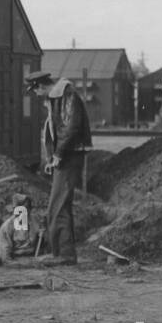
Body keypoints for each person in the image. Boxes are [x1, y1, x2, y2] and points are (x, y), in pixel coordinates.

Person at [27, 70, 92, 266]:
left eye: (34, 91)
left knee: (58, 206)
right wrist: (51, 158)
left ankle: (64, 255)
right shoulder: (56, 97)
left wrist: (58, 155)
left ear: (40, 86)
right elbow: (53, 131)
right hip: (66, 156)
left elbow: (71, 128)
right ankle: (63, 253)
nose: (36, 96)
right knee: (60, 205)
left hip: (70, 155)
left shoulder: (66, 94)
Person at [0, 192, 40, 263]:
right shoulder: (7, 227)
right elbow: (5, 255)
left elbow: (42, 240)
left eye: (28, 208)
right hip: (17, 261)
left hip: (34, 258)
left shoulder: (34, 221)